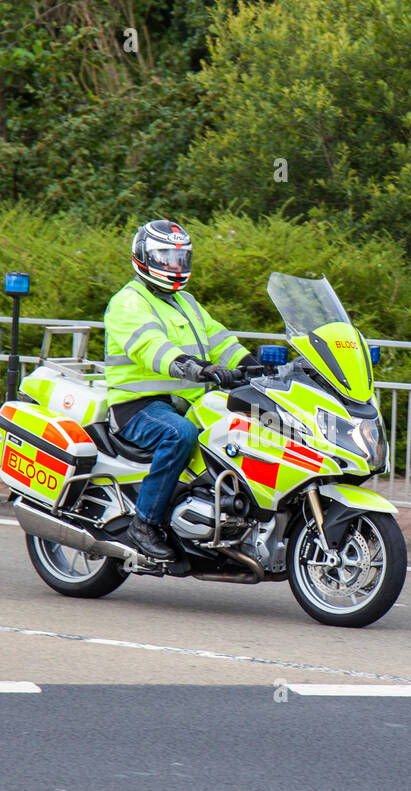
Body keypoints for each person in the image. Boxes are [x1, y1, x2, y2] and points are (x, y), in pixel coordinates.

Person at [104, 220, 263, 561]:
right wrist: (194, 367)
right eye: (166, 258)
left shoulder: (185, 301)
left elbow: (219, 338)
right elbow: (151, 347)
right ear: (144, 257)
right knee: (180, 434)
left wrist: (251, 363)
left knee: (238, 430)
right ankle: (144, 525)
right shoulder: (128, 302)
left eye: (180, 259)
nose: (174, 267)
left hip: (183, 400)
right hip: (137, 406)